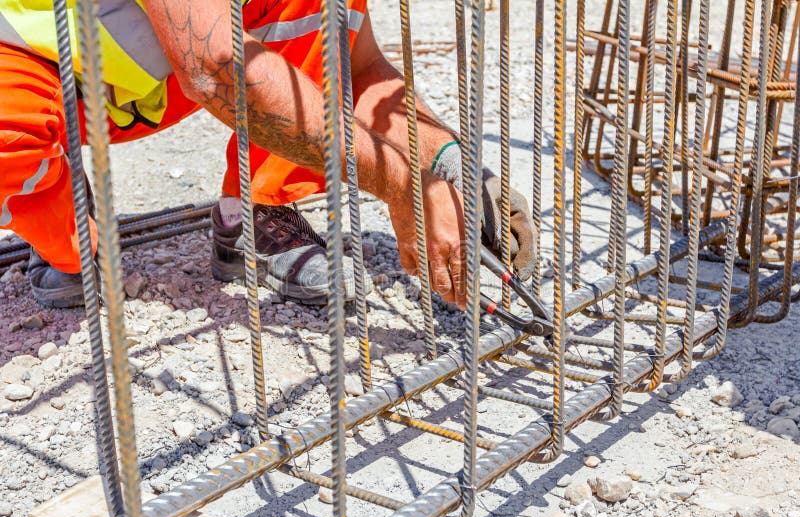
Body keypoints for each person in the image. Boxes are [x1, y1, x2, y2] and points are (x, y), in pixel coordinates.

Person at [0, 0, 537, 309]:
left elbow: (362, 66)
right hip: (29, 67)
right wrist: (404, 186)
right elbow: (214, 67)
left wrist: (446, 164)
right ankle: (66, 234)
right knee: (10, 136)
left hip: (140, 70)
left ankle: (255, 211)